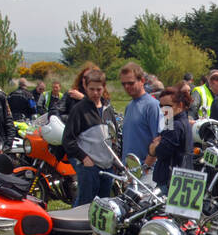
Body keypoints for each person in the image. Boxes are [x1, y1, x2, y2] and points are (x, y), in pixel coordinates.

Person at [62, 67, 120, 203]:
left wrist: (115, 159)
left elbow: (114, 136)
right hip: (89, 167)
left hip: (108, 167)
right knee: (85, 203)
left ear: (104, 88)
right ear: (85, 87)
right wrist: (84, 158)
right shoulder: (79, 110)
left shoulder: (108, 109)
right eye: (91, 89)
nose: (95, 93)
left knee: (104, 204)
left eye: (98, 89)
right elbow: (68, 140)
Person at [145, 87, 192, 190]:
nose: (163, 110)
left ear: (180, 105)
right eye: (160, 106)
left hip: (170, 181)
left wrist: (153, 148)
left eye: (167, 106)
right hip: (176, 178)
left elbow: (161, 151)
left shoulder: (176, 125)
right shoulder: (172, 120)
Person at [118, 62, 161, 163]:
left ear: (142, 80)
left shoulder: (153, 106)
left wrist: (146, 167)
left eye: (131, 83)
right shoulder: (129, 106)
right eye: (123, 84)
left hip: (145, 173)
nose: (126, 87)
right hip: (129, 171)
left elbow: (158, 142)